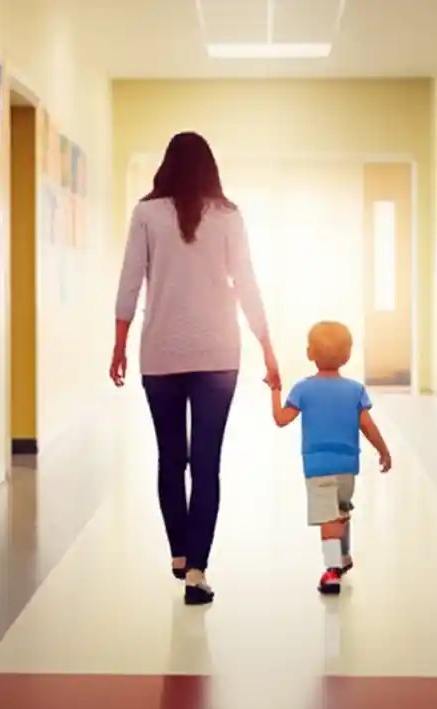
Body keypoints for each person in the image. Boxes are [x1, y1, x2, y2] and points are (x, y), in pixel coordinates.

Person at [111, 132, 280, 606]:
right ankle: (198, 571)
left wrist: (119, 345)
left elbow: (129, 282)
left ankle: (180, 553)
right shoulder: (227, 216)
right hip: (218, 356)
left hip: (160, 355)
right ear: (210, 168)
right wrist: (267, 345)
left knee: (171, 457)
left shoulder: (146, 214)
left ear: (166, 165)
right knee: (206, 464)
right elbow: (246, 284)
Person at [269, 321, 391, 595]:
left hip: (317, 465)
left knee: (328, 520)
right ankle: (344, 557)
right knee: (341, 513)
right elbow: (368, 426)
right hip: (348, 466)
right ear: (347, 355)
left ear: (309, 353)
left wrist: (275, 390)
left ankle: (332, 570)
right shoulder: (355, 390)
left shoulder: (303, 389)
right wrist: (383, 450)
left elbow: (280, 420)